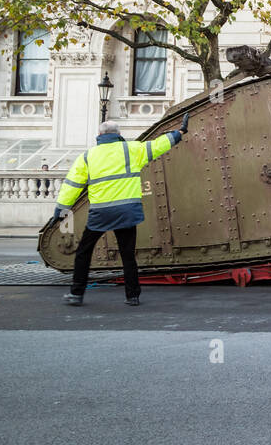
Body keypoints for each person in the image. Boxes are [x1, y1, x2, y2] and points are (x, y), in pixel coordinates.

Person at [55, 117, 187, 306]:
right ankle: (132, 296)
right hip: (126, 211)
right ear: (118, 135)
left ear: (100, 135)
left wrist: (60, 208)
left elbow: (72, 185)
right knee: (127, 254)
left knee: (84, 251)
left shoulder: (88, 156)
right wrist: (178, 134)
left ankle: (76, 294)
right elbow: (158, 145)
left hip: (101, 212)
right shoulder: (131, 150)